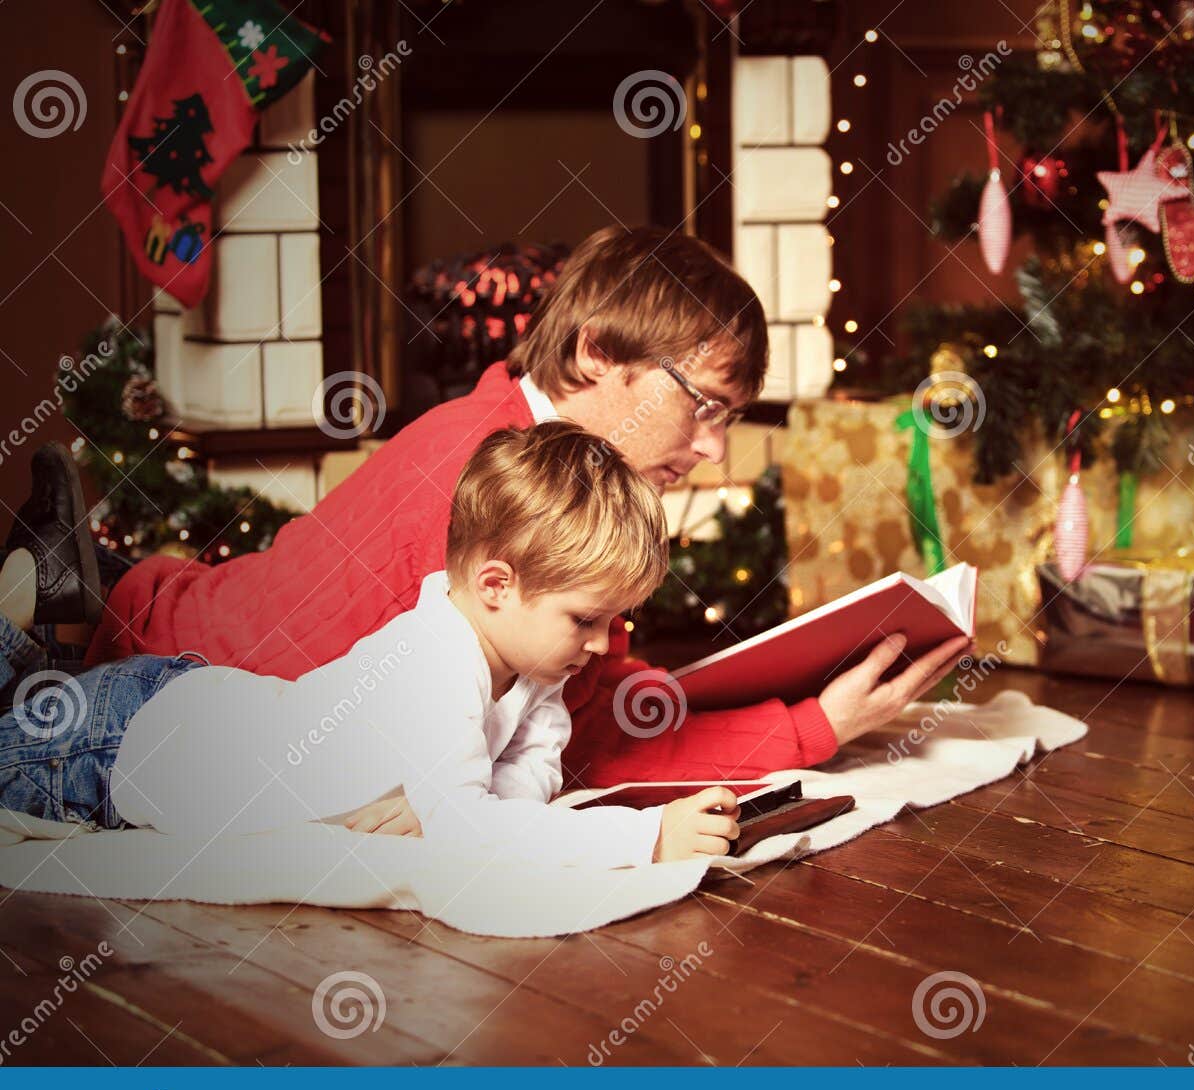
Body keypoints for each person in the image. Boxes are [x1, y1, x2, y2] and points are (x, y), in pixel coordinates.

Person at [23, 225, 969, 825]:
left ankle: (81, 574)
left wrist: (778, 698)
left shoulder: (535, 456)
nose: (714, 449)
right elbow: (595, 752)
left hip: (185, 627)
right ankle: (77, 590)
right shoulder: (499, 481)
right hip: (151, 674)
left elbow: (588, 703)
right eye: (705, 405)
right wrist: (813, 725)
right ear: (598, 354)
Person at [0, 424, 741, 865]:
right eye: (585, 619)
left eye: (613, 619)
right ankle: (22, 620)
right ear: (494, 586)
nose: (602, 643)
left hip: (187, 699)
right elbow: (471, 843)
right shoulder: (432, 661)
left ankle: (36, 612)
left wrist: (447, 808)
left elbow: (524, 783)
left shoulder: (536, 670)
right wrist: (643, 839)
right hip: (123, 745)